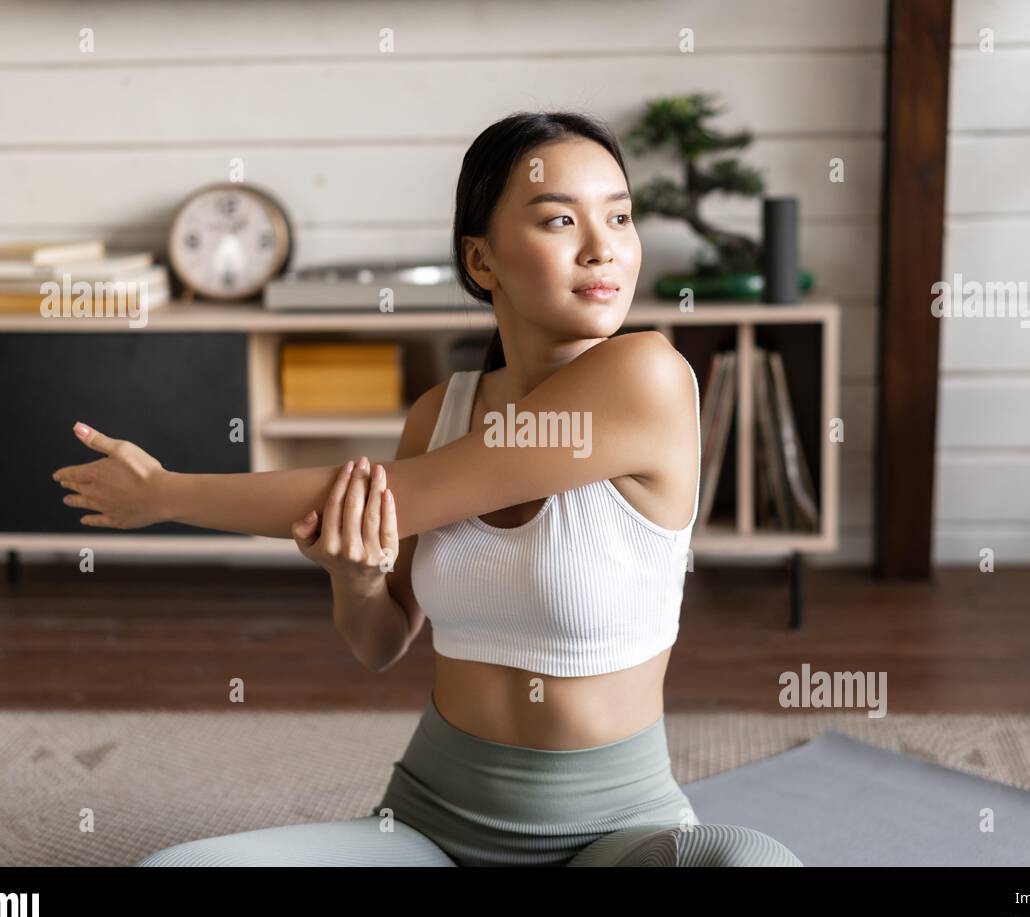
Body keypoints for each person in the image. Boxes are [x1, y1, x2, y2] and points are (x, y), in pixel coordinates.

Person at [52, 110, 803, 867]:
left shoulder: (647, 375)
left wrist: (165, 494)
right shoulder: (439, 414)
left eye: (619, 216)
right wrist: (354, 577)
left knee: (749, 863)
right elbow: (381, 643)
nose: (602, 247)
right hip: (431, 829)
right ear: (482, 260)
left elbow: (398, 496)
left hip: (614, 839)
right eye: (559, 220)